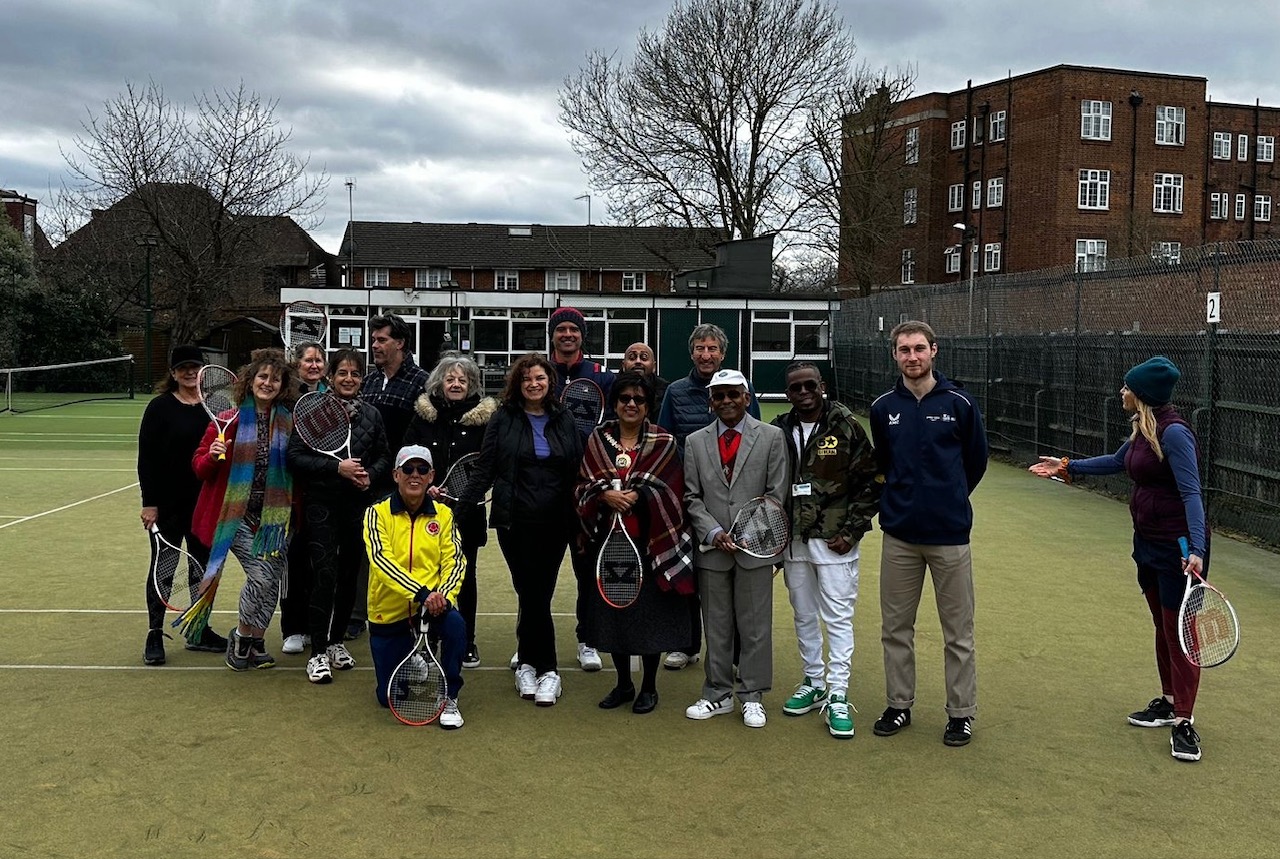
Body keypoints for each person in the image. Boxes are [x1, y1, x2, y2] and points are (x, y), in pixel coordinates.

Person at [1029, 356, 1209, 762]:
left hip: (1178, 550)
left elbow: (1192, 493)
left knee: (1181, 634)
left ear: (1141, 394)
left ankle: (1185, 722)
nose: (1121, 391)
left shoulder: (1175, 434)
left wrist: (1196, 549)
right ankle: (1167, 701)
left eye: (1127, 387)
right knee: (1162, 627)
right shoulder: (1144, 432)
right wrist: (1067, 466)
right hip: (1146, 544)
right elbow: (1116, 462)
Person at [868, 320, 988, 747]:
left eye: (919, 348)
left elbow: (975, 462)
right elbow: (882, 462)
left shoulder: (959, 403)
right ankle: (899, 705)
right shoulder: (884, 407)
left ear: (934, 351)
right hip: (899, 535)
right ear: (895, 356)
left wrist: (949, 499)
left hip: (950, 536)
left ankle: (960, 713)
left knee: (959, 633)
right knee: (895, 628)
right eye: (904, 350)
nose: (912, 357)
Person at [462, 352, 582, 706]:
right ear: (519, 382)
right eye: (528, 378)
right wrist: (459, 505)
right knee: (530, 591)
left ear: (549, 383)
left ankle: (540, 668)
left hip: (556, 521)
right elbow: (485, 468)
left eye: (540, 378)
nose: (534, 384)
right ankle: (538, 666)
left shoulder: (564, 419)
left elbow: (577, 468)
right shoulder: (503, 418)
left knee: (537, 594)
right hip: (514, 521)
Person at [772, 361, 880, 739]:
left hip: (834, 540)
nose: (804, 393)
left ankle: (837, 693)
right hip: (794, 541)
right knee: (803, 614)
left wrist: (852, 531)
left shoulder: (845, 425)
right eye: (796, 388)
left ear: (822, 387)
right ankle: (814, 681)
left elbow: (873, 479)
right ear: (788, 393)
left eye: (810, 386)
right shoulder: (779, 429)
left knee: (837, 617)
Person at [576, 371, 694, 714]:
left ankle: (649, 686)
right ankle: (623, 683)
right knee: (614, 613)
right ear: (614, 403)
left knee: (650, 616)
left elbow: (672, 491)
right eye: (624, 398)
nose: (630, 404)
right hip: (607, 541)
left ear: (648, 406)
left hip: (649, 543)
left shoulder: (664, 441)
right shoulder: (598, 439)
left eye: (638, 400)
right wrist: (603, 495)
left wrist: (640, 494)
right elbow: (582, 484)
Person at [682, 369, 788, 729]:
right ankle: (718, 693)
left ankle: (752, 695)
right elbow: (692, 498)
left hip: (755, 549)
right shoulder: (695, 442)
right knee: (717, 625)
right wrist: (713, 533)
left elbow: (776, 494)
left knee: (755, 626)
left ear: (746, 397)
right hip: (713, 551)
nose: (726, 401)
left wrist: (745, 532)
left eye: (733, 394)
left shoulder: (772, 437)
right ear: (710, 402)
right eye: (719, 396)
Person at [655, 323, 761, 671]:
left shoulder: (743, 390)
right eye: (700, 348)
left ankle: (733, 655)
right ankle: (686, 645)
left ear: (722, 353)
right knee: (687, 573)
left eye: (712, 348)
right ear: (691, 353)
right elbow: (666, 443)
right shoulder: (676, 391)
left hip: (733, 498)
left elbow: (755, 442)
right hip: (688, 499)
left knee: (731, 576)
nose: (706, 354)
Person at [190, 348, 298, 671]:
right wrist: (212, 454)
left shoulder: (289, 423)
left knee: (272, 578)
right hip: (234, 516)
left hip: (275, 519)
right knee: (262, 577)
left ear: (283, 385)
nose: (268, 383)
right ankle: (240, 636)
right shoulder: (227, 420)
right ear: (250, 381)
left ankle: (255, 642)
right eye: (263, 376)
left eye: (275, 378)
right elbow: (198, 468)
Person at [288, 349, 390, 684]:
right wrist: (337, 467)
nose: (349, 379)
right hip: (321, 504)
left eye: (355, 374)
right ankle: (317, 651)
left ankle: (335, 642)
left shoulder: (372, 415)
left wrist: (368, 476)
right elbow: (296, 457)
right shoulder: (313, 411)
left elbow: (383, 456)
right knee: (325, 574)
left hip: (356, 505)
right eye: (342, 373)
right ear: (330, 377)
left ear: (363, 378)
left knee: (349, 575)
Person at [403, 354, 498, 668]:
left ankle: (467, 642)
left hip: (466, 513)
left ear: (472, 386)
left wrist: (462, 495)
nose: (456, 384)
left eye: (463, 380)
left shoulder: (486, 420)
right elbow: (407, 457)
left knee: (464, 577)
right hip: (425, 510)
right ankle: (428, 639)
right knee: (427, 576)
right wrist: (423, 482)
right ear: (439, 383)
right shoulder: (423, 416)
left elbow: (487, 467)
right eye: (450, 379)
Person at [364, 445, 467, 729]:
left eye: (422, 470)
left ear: (431, 476)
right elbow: (381, 562)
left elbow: (455, 562)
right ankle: (414, 658)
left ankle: (449, 696)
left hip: (433, 606)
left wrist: (441, 597)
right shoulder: (376, 514)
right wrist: (421, 594)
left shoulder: (444, 515)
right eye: (408, 469)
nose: (415, 475)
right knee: (388, 698)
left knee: (456, 626)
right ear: (396, 475)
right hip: (390, 611)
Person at [136, 345, 227, 664]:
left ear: (204, 371)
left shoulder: (216, 407)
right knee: (164, 569)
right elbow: (146, 459)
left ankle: (199, 630)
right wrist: (150, 504)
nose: (190, 373)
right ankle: (154, 634)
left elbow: (223, 456)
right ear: (173, 373)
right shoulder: (159, 408)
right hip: (168, 506)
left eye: (195, 367)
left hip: (205, 506)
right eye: (183, 368)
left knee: (203, 571)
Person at [351, 313, 429, 640]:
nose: (375, 345)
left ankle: (401, 616)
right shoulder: (367, 382)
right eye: (373, 339)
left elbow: (424, 436)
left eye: (381, 339)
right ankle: (356, 615)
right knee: (361, 549)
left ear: (400, 343)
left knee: (398, 552)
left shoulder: (422, 381)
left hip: (402, 482)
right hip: (365, 480)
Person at [546, 306, 614, 673]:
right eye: (561, 329)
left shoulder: (602, 377)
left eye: (574, 329)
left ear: (582, 335)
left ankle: (587, 638)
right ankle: (532, 640)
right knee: (538, 571)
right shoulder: (537, 374)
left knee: (587, 569)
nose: (568, 335)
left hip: (589, 492)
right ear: (553, 335)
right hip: (547, 491)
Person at [279, 341, 329, 655]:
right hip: (289, 492)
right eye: (308, 360)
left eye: (319, 360)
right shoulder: (285, 397)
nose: (313, 365)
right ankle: (292, 627)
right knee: (293, 563)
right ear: (297, 364)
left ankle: (315, 626)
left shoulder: (331, 396)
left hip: (322, 490)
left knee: (319, 564)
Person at [621, 341, 668, 407]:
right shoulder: (612, 387)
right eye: (632, 358)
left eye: (644, 358)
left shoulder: (666, 390)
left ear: (654, 366)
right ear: (623, 365)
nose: (638, 361)